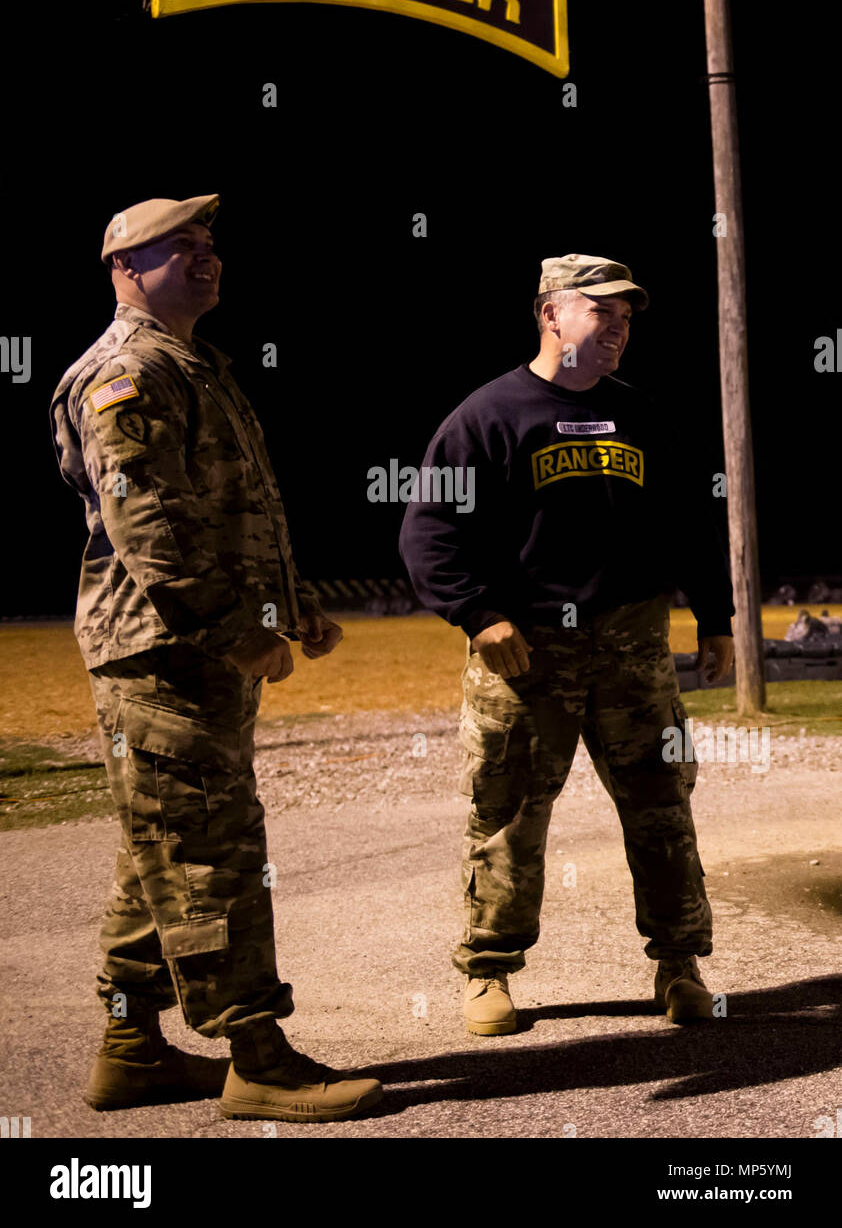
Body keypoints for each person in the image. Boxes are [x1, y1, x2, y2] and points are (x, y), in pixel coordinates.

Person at [49, 194, 382, 1121]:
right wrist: (239, 632)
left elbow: (227, 516)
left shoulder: (191, 365)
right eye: (178, 248)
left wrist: (291, 608)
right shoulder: (125, 374)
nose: (206, 259)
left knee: (155, 850)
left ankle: (131, 1050)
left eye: (209, 246)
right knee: (212, 854)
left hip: (187, 650)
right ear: (124, 268)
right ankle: (259, 1060)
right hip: (165, 653)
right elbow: (150, 527)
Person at [399, 253, 736, 1035]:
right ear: (552, 314)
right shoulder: (487, 416)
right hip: (526, 653)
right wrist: (479, 615)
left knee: (662, 809)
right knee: (509, 813)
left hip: (632, 649)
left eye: (626, 318)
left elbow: (690, 525)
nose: (618, 330)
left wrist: (713, 615)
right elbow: (428, 534)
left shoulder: (643, 415)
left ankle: (679, 964)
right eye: (602, 313)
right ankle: (488, 970)